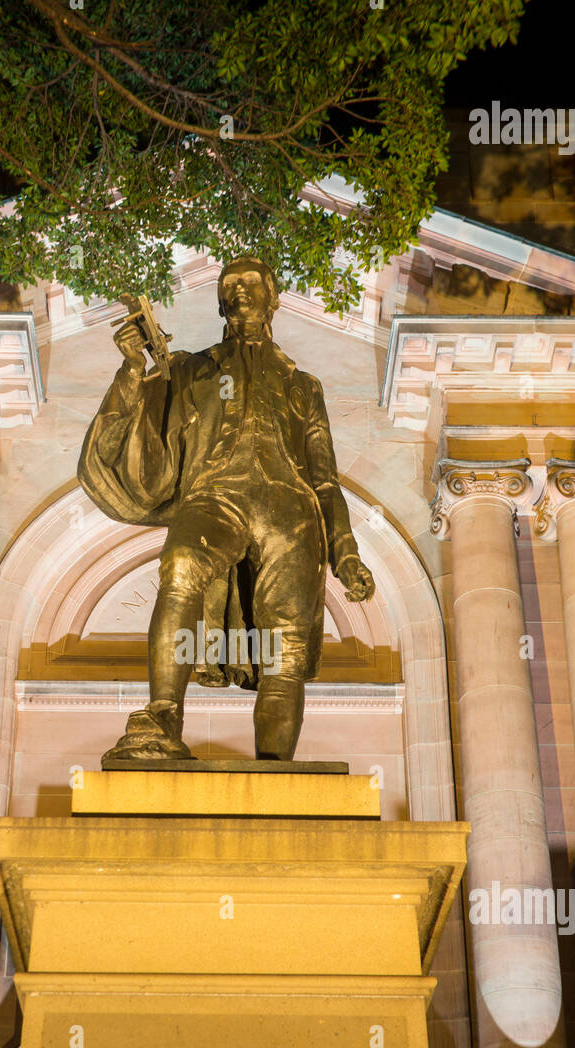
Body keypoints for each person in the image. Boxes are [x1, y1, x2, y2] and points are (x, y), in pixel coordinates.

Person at [78, 256, 375, 762]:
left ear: (274, 297)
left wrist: (345, 553)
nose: (239, 290)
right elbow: (141, 422)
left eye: (251, 282)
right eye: (229, 284)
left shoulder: (303, 385)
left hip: (291, 512)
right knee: (181, 564)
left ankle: (277, 771)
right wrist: (133, 368)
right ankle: (163, 716)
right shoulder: (193, 369)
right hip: (215, 495)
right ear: (219, 300)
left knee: (286, 646)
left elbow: (324, 479)